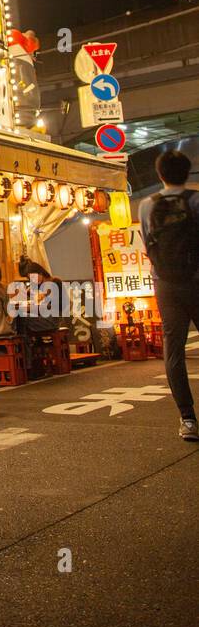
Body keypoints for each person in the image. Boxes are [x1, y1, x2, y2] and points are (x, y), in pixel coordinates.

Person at [138, 149, 199, 441]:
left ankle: (187, 419)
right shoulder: (196, 200)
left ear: (160, 174)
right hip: (196, 281)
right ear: (186, 173)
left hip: (165, 284)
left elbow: (148, 243)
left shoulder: (147, 205)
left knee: (173, 348)